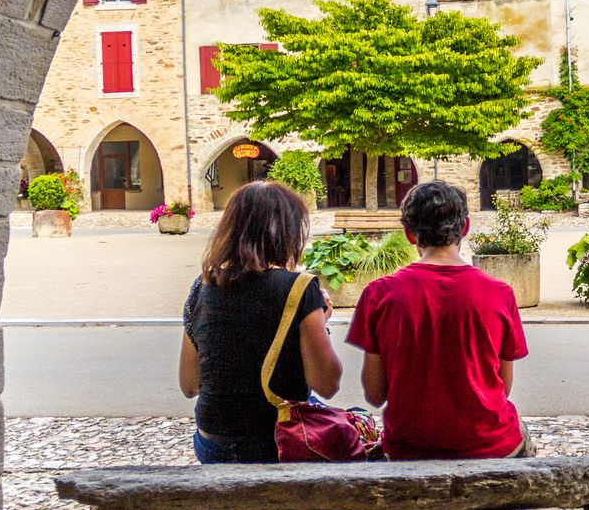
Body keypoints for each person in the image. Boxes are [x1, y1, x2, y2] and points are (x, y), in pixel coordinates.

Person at [346, 180, 531, 459]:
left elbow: (374, 394)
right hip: (490, 445)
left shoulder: (379, 294)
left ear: (410, 234)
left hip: (409, 446)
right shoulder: (499, 293)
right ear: (465, 228)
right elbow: (502, 389)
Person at [179, 180, 342, 463]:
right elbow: (327, 383)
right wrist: (321, 323)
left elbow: (189, 385)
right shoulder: (298, 288)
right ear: (288, 232)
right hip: (274, 442)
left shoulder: (202, 288)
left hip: (212, 443)